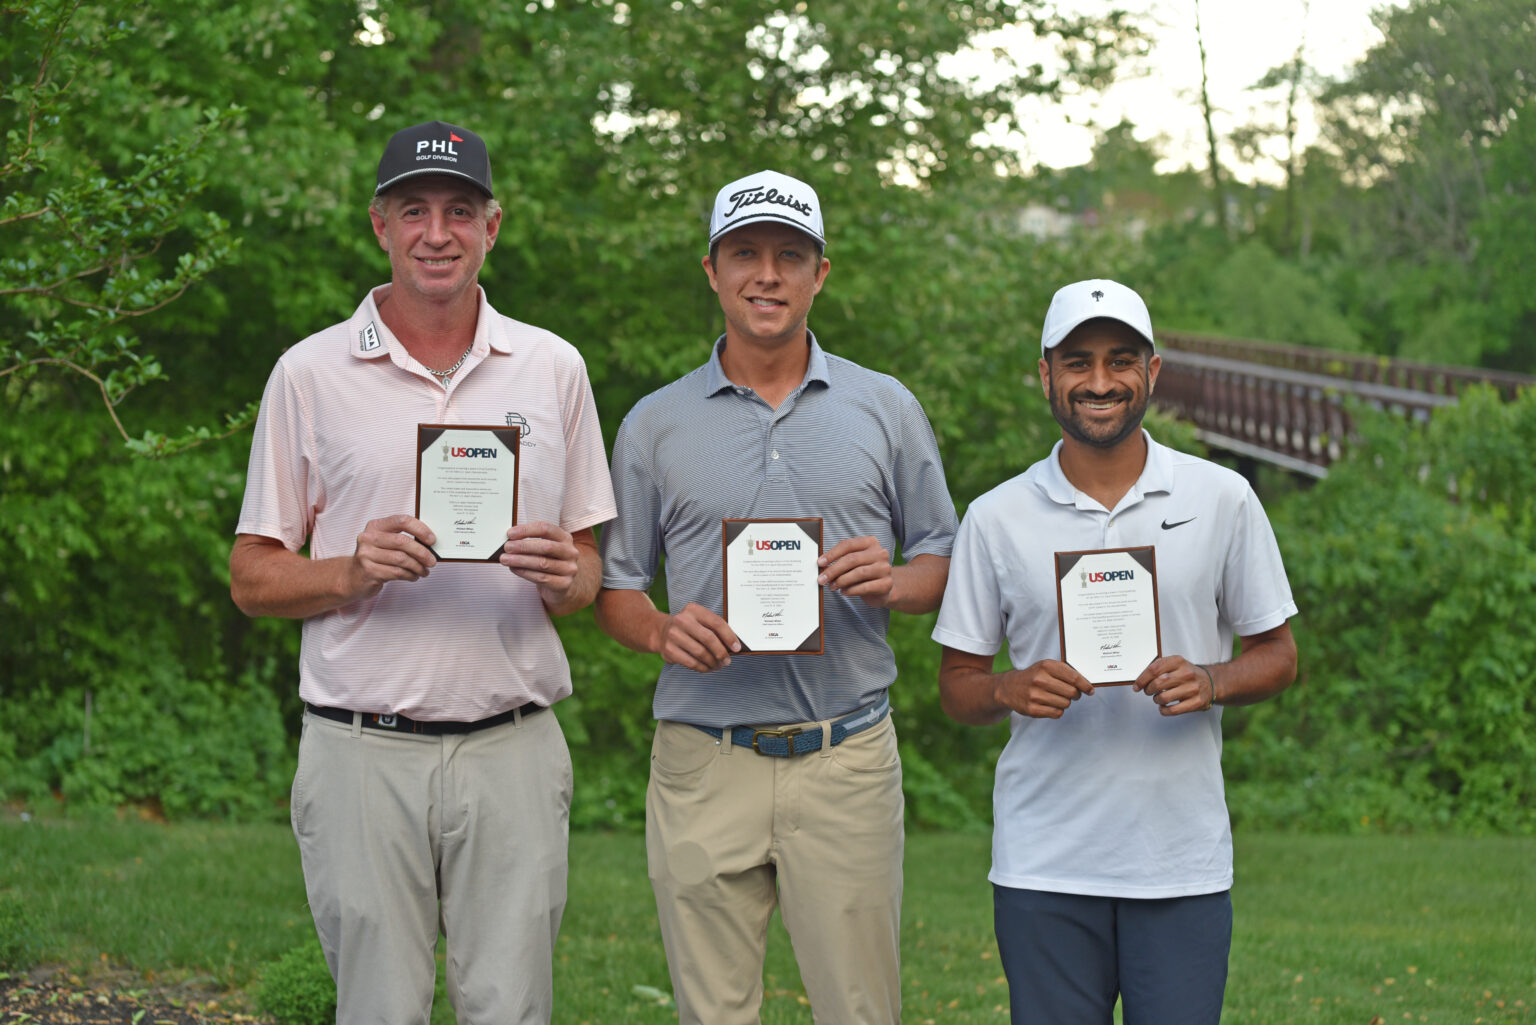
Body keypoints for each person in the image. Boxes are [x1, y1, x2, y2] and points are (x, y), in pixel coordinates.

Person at [228, 120, 615, 1025]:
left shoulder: (554, 367)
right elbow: (251, 575)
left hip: (512, 744)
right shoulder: (309, 372)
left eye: (458, 211)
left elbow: (590, 568)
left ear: (493, 225)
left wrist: (566, 573)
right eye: (414, 211)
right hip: (361, 748)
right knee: (377, 1010)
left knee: (513, 1009)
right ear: (380, 225)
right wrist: (351, 572)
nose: (436, 232)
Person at [594, 169, 958, 1024]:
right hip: (702, 756)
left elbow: (943, 551)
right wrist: (659, 632)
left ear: (820, 274)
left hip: (846, 757)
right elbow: (615, 588)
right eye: (745, 254)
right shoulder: (655, 422)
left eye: (789, 256)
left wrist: (897, 581)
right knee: (712, 1013)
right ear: (712, 271)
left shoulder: (886, 407)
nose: (767, 274)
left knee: (860, 1010)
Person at [931, 279, 1298, 1024]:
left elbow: (1279, 652)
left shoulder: (1222, 497)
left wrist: (1211, 678)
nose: (1099, 382)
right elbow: (957, 684)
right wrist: (1010, 687)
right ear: (1046, 374)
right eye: (1078, 362)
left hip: (1181, 861)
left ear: (1152, 372)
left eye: (1119, 360)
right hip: (1044, 862)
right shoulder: (996, 516)